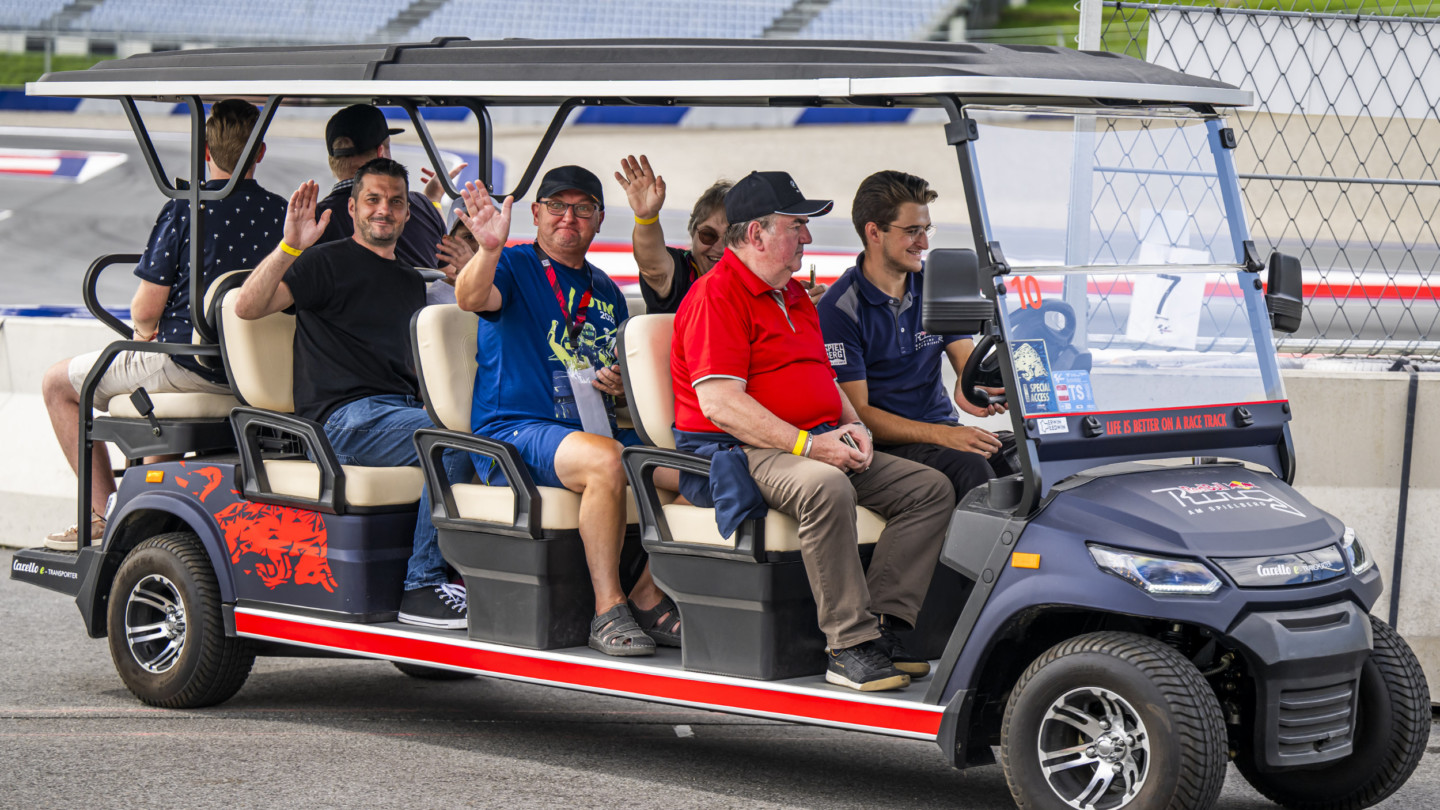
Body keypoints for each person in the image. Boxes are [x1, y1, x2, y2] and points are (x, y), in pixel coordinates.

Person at [670, 170, 955, 692]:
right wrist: (810, 445)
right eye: (797, 225)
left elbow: (824, 380)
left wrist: (853, 427)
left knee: (929, 489)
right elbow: (722, 405)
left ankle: (884, 629)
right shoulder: (718, 296)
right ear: (756, 234)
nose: (807, 237)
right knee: (825, 484)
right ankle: (847, 644)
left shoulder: (794, 295)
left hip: (813, 439)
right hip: (741, 450)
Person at [233, 158, 474, 630]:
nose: (384, 210)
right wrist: (290, 246)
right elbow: (248, 306)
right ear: (354, 207)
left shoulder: (410, 280)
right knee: (450, 441)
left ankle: (467, 574)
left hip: (398, 414)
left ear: (408, 214)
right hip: (343, 421)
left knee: (486, 430)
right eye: (374, 200)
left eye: (396, 202)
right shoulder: (325, 261)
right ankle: (422, 583)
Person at [453, 165, 680, 657]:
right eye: (556, 206)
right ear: (535, 214)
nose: (568, 217)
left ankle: (647, 592)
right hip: (513, 432)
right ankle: (607, 610)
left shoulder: (606, 291)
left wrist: (619, 385)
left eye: (582, 209)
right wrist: (488, 247)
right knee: (604, 460)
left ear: (599, 220)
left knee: (698, 473)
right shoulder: (512, 265)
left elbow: (610, 375)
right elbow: (470, 297)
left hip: (588, 430)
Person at [40, 98, 286, 550]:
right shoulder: (282, 215)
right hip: (252, 375)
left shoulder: (187, 208)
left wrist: (142, 333)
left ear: (207, 151)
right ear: (261, 153)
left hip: (190, 362)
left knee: (58, 383)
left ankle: (101, 512)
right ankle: (143, 516)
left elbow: (145, 310)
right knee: (151, 390)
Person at [817, 171, 1009, 501]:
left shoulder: (938, 283)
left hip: (941, 433)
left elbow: (966, 362)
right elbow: (860, 413)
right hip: (888, 447)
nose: (924, 243)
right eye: (912, 232)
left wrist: (973, 388)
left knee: (1028, 457)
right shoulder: (839, 309)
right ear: (874, 232)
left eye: (926, 229)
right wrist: (943, 436)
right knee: (972, 467)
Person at [615, 154, 827, 313]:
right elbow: (652, 265)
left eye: (728, 238)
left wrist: (811, 309)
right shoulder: (681, 270)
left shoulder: (766, 280)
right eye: (708, 235)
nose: (718, 247)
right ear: (692, 233)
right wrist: (646, 217)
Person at [314, 103, 462, 271]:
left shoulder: (314, 221)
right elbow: (450, 273)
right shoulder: (420, 205)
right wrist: (432, 201)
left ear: (332, 160)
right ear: (380, 153)